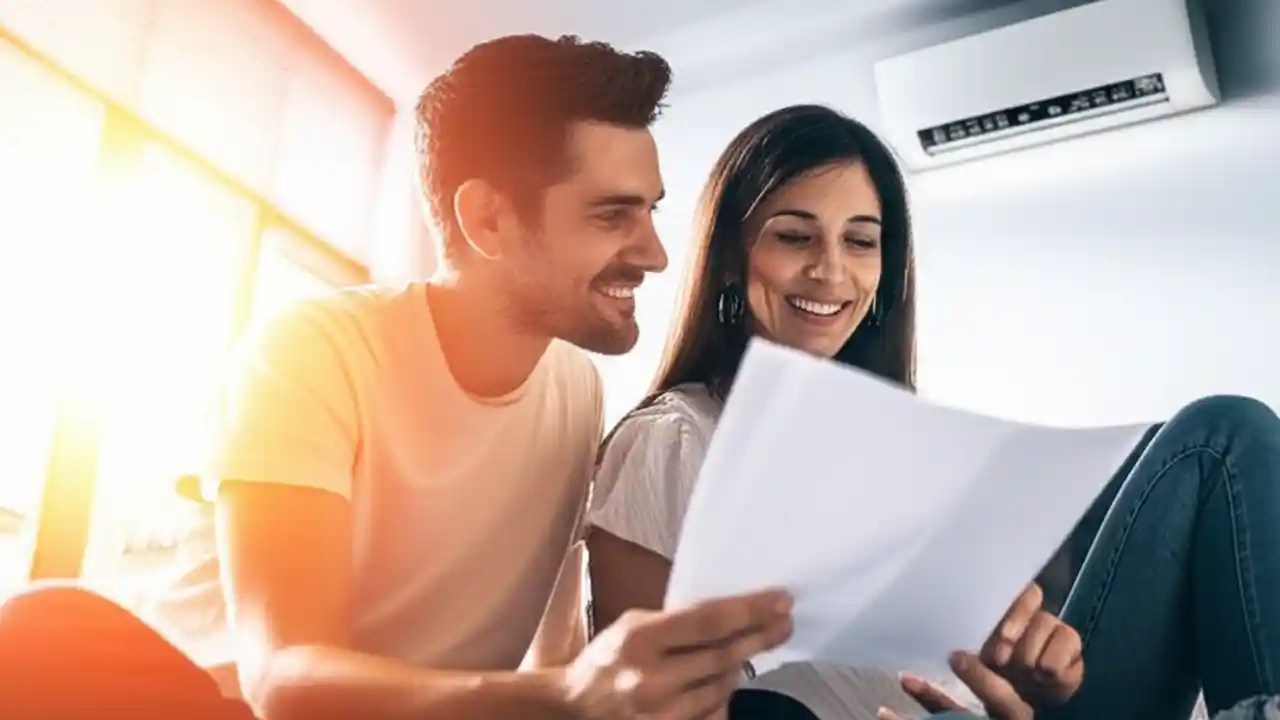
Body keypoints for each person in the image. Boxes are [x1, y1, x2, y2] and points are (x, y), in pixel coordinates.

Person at [0, 35, 794, 720]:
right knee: (42, 624)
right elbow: (283, 677)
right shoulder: (313, 348)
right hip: (215, 705)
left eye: (652, 211)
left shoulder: (576, 388)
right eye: (611, 215)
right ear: (487, 220)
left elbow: (559, 666)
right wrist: (561, 697)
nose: (656, 253)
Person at [586, 104, 1280, 720]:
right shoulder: (673, 440)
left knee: (1216, 439)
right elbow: (639, 704)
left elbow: (985, 672)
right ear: (732, 260)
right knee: (1213, 440)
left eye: (861, 241)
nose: (831, 270)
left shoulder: (895, 444)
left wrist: (1042, 676)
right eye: (795, 236)